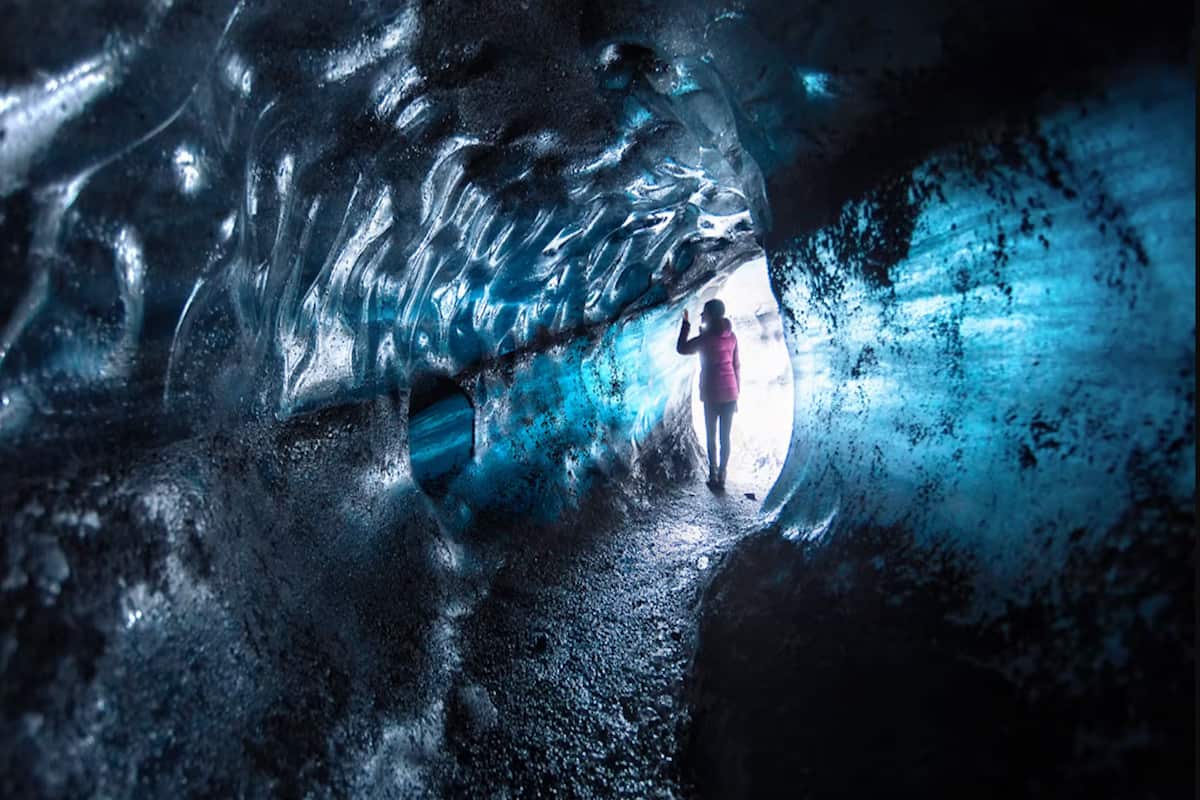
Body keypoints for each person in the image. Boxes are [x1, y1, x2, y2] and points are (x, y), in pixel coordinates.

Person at [676, 298, 739, 489]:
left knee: (712, 436)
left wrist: (686, 324)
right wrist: (736, 393)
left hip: (712, 393)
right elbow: (736, 365)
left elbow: (682, 348)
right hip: (730, 393)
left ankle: (713, 475)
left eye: (704, 312)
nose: (702, 315)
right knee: (725, 437)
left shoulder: (705, 339)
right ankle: (722, 475)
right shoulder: (732, 337)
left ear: (710, 315)